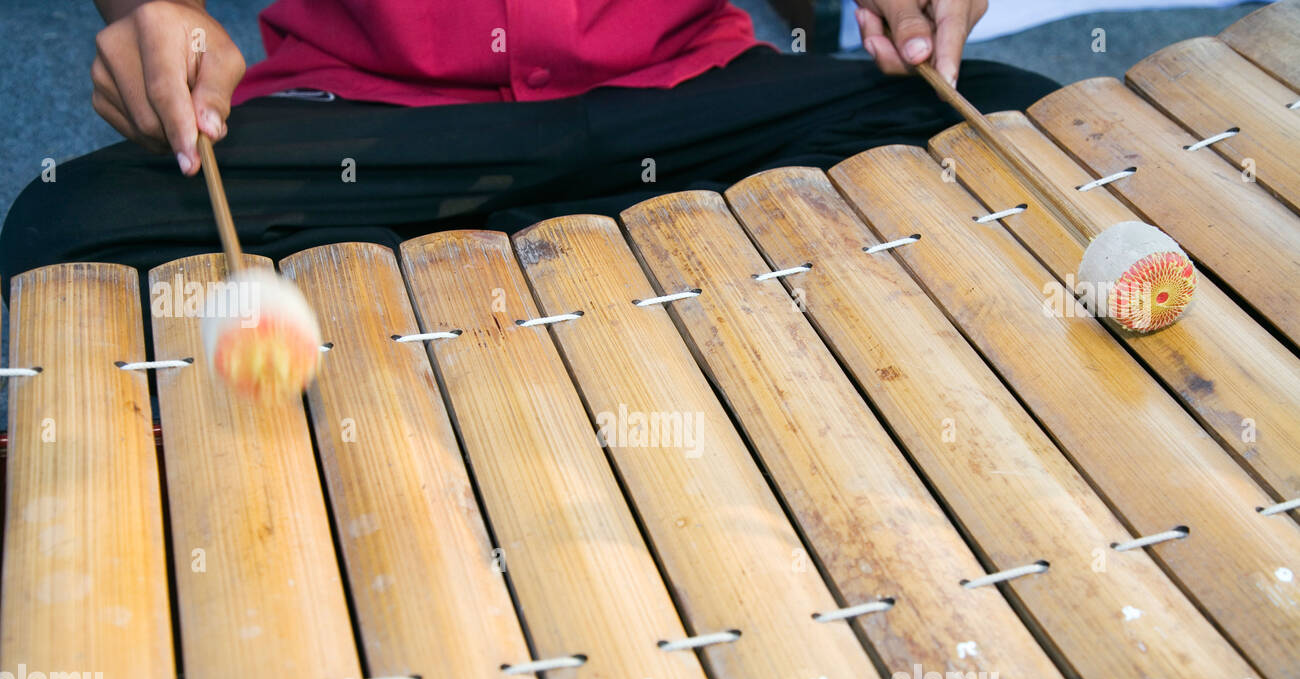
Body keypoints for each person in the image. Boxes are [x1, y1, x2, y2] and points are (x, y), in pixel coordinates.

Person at [0, 0, 1056, 286]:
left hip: (680, 91)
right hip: (384, 123)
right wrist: (148, 9)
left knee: (1005, 114)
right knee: (69, 229)